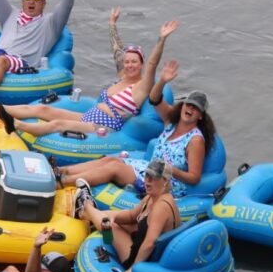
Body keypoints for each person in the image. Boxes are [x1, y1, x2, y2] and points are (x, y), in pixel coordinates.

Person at [0, 18, 178, 139]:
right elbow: (116, 50)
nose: (129, 65)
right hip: (89, 116)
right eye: (127, 61)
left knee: (58, 124)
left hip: (104, 126)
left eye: (134, 62)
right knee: (42, 109)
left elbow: (153, 63)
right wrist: (112, 25)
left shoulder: (140, 87)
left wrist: (161, 39)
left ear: (141, 64)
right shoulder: (122, 76)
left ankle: (15, 125)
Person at [58, 70, 215, 201]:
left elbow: (194, 178)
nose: (191, 109)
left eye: (196, 108)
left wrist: (170, 169)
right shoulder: (171, 122)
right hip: (150, 168)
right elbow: (155, 98)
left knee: (114, 168)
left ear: (200, 116)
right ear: (182, 106)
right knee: (110, 159)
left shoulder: (195, 140)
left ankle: (63, 182)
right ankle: (62, 170)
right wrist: (163, 81)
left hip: (166, 182)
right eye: (189, 105)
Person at [77, 157, 180, 272]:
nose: (147, 181)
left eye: (153, 177)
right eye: (146, 176)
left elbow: (149, 243)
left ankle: (86, 205)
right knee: (111, 217)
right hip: (137, 239)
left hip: (137, 258)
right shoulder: (151, 198)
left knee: (108, 224)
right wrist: (113, 217)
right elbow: (131, 216)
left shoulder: (162, 207)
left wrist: (134, 268)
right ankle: (85, 211)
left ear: (165, 181)